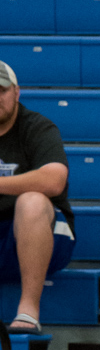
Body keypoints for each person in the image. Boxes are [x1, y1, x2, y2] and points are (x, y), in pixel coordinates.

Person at [0, 60, 75, 333]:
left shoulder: (37, 127)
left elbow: (55, 180)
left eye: (1, 91)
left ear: (16, 92)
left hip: (45, 237)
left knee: (31, 201)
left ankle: (29, 310)